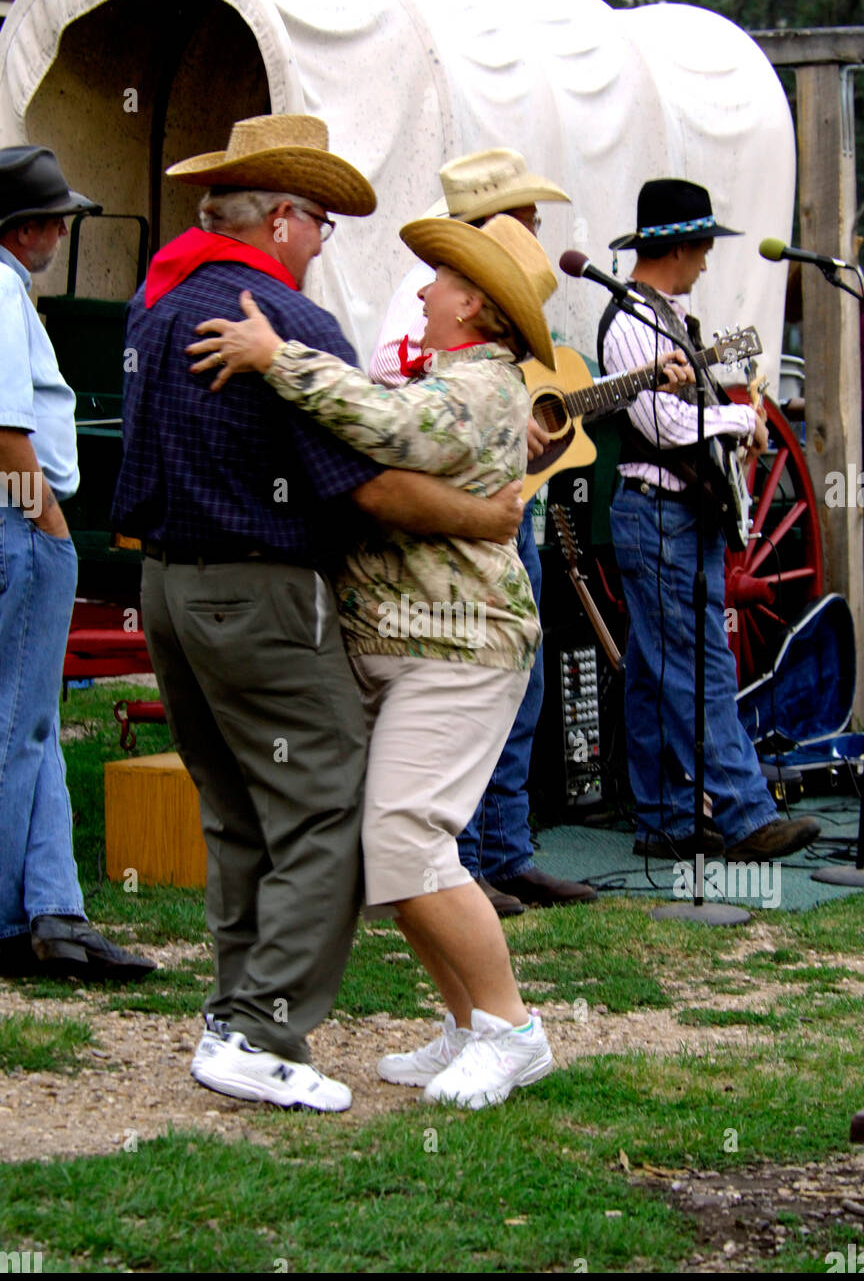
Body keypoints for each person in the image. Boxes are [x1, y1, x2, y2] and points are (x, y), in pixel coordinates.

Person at [190, 214, 691, 1108]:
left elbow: (388, 427)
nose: (420, 293)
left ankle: (512, 1031)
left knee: (403, 838)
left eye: (437, 282)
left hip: (457, 650)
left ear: (475, 304)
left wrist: (278, 358)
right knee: (403, 848)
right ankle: (466, 1025)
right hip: (416, 647)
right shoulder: (461, 379)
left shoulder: (482, 387)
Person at [111, 115, 523, 1114]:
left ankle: (234, 1010)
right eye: (326, 222)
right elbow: (368, 492)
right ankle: (263, 1030)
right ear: (285, 218)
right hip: (260, 593)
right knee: (329, 805)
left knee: (239, 808)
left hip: (163, 586)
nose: (328, 239)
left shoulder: (157, 298)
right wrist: (488, 517)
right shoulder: (285, 320)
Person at [370, 147, 596, 916]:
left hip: (503, 502)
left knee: (518, 685)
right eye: (523, 217)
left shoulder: (481, 295)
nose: (533, 228)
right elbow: (394, 388)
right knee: (469, 677)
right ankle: (463, 859)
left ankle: (504, 849)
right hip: (458, 519)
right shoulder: (427, 291)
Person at [598, 178, 820, 862]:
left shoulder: (659, 317)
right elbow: (659, 422)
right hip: (658, 510)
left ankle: (665, 815)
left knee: (652, 671)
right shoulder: (635, 324)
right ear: (682, 246)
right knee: (700, 669)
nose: (706, 262)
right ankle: (747, 811)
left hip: (669, 513)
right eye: (702, 248)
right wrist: (736, 418)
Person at [0, 146, 157, 982]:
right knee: (20, 725)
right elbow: (3, 427)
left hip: (17, 520)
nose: (64, 230)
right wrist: (51, 520)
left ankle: (51, 910)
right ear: (29, 228)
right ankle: (17, 917)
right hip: (21, 520)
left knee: (30, 723)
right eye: (57, 218)